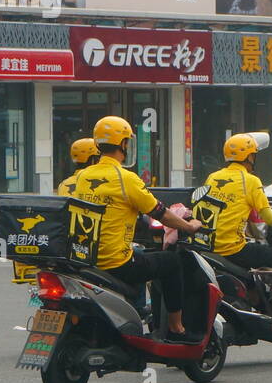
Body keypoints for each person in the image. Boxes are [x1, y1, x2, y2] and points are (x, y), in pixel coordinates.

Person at [74, 116, 202, 337]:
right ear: (124, 144)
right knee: (171, 262)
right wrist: (189, 227)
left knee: (143, 254)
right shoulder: (126, 179)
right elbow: (161, 214)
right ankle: (176, 326)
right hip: (116, 261)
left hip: (87, 257)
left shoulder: (83, 177)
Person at [202, 133, 272, 269]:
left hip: (209, 244)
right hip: (233, 249)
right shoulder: (251, 181)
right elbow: (269, 219)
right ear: (249, 157)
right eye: (253, 155)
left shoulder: (212, 177)